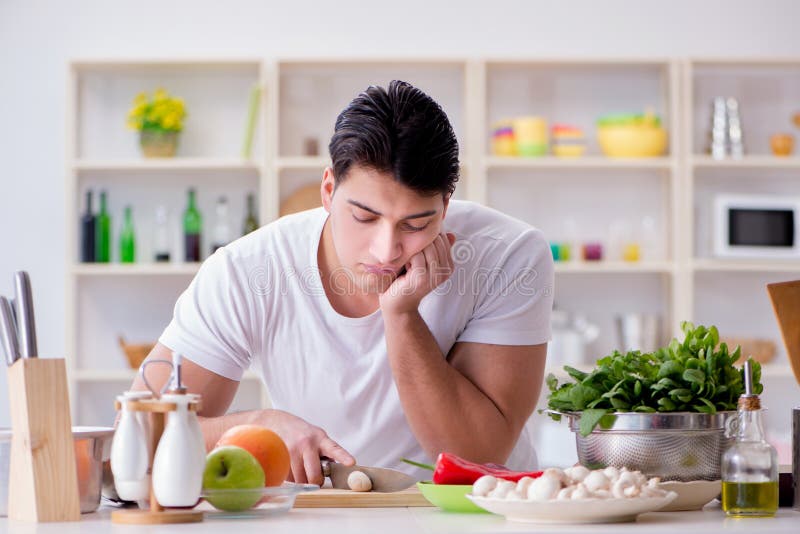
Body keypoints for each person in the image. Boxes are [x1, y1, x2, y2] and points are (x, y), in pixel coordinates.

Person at [131, 80, 554, 485]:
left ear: (445, 207)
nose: (386, 250)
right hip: (324, 512)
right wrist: (257, 424)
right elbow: (137, 435)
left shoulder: (508, 254)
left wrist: (402, 314)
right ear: (329, 189)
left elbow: (478, 457)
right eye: (364, 217)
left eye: (416, 223)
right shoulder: (248, 270)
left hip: (475, 516)